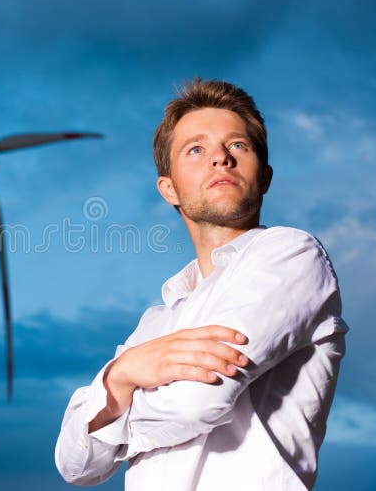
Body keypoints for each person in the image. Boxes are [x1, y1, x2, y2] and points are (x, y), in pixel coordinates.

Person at [54, 78, 349, 490]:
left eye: (238, 146)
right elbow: (75, 464)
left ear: (263, 177)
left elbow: (199, 400)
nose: (220, 159)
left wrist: (118, 409)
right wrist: (120, 375)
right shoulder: (156, 322)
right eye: (196, 149)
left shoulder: (292, 255)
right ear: (168, 188)